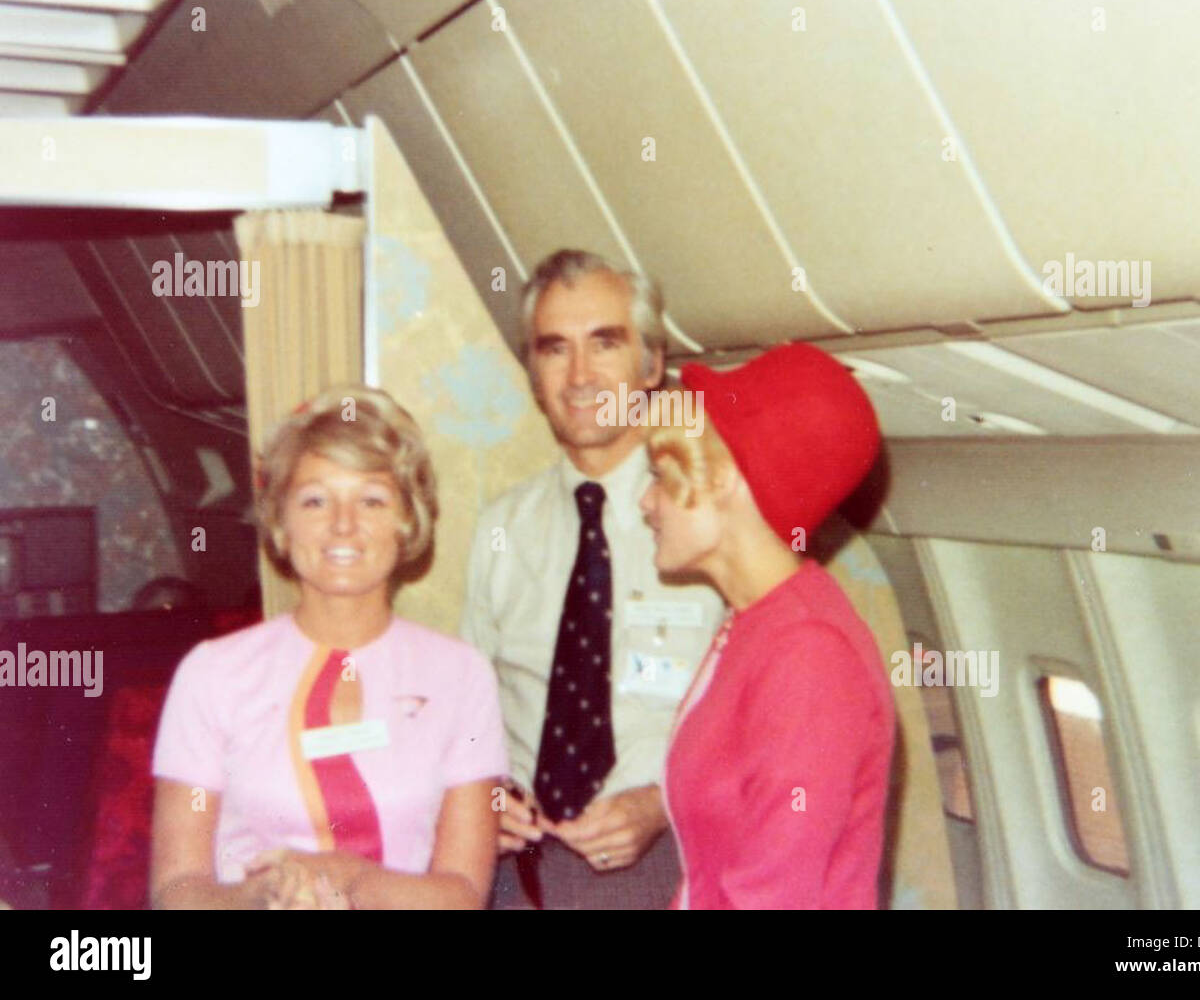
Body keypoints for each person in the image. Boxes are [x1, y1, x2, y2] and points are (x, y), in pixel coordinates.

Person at [150, 387, 506, 909]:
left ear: (408, 521)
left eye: (372, 499)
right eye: (315, 500)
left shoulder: (461, 676)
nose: (343, 524)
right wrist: (261, 893)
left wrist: (346, 877)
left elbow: (464, 894)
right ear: (281, 520)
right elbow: (175, 892)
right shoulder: (211, 675)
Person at [461, 250, 724, 909]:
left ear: (652, 365)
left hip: (671, 856)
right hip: (518, 869)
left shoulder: (708, 521)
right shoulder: (500, 529)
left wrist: (663, 804)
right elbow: (465, 713)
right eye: (554, 350)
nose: (580, 375)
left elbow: (758, 725)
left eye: (604, 344)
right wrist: (485, 794)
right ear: (534, 375)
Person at [641, 342, 895, 909]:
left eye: (659, 476)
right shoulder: (759, 622)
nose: (646, 500)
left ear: (725, 478)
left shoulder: (809, 655)